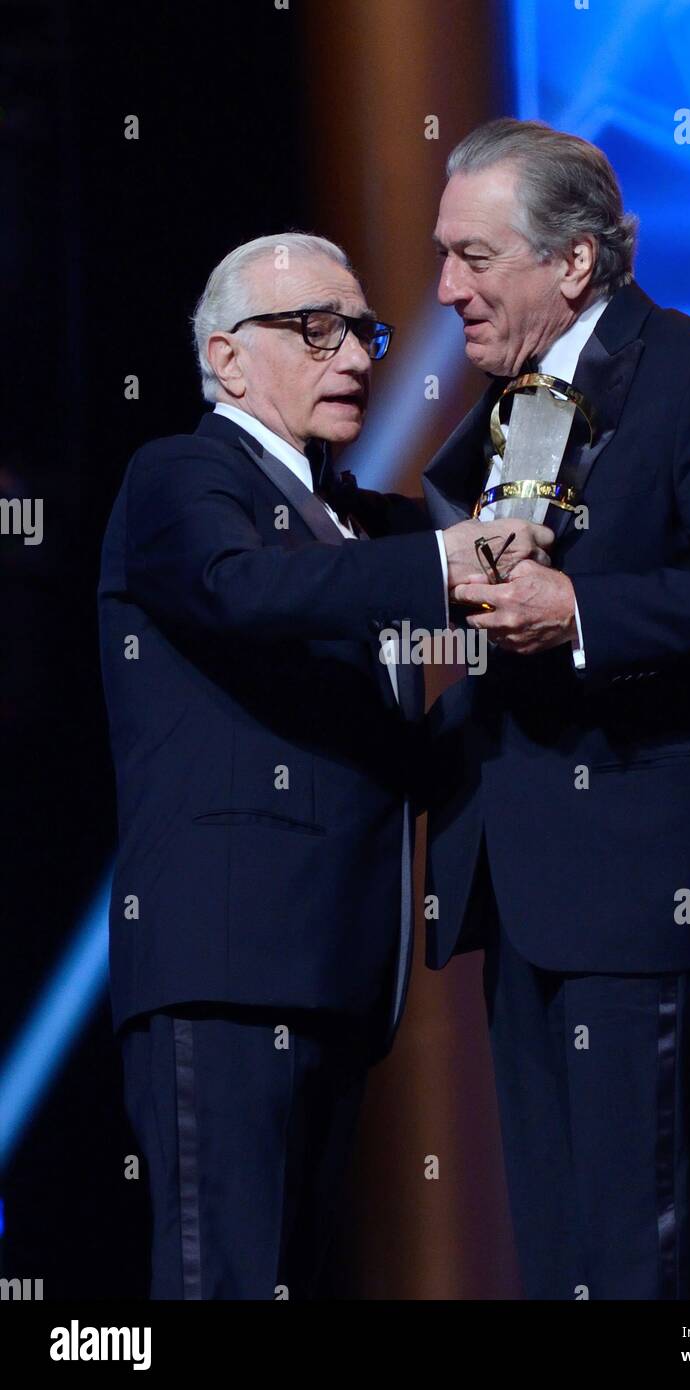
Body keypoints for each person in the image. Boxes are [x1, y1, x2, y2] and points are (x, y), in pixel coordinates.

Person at [422, 119, 690, 1300]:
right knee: (556, 1259)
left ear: (573, 263)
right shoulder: (514, 406)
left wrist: (582, 614)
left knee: (631, 1256)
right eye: (443, 257)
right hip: (524, 875)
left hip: (639, 886)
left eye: (472, 258)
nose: (446, 288)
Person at [97, 231, 550, 1299]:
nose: (353, 356)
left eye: (362, 331)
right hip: (225, 963)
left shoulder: (358, 521)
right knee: (224, 1281)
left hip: (338, 975)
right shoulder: (180, 474)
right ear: (225, 359)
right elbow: (245, 591)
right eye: (316, 330)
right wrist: (447, 560)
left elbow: (392, 722)